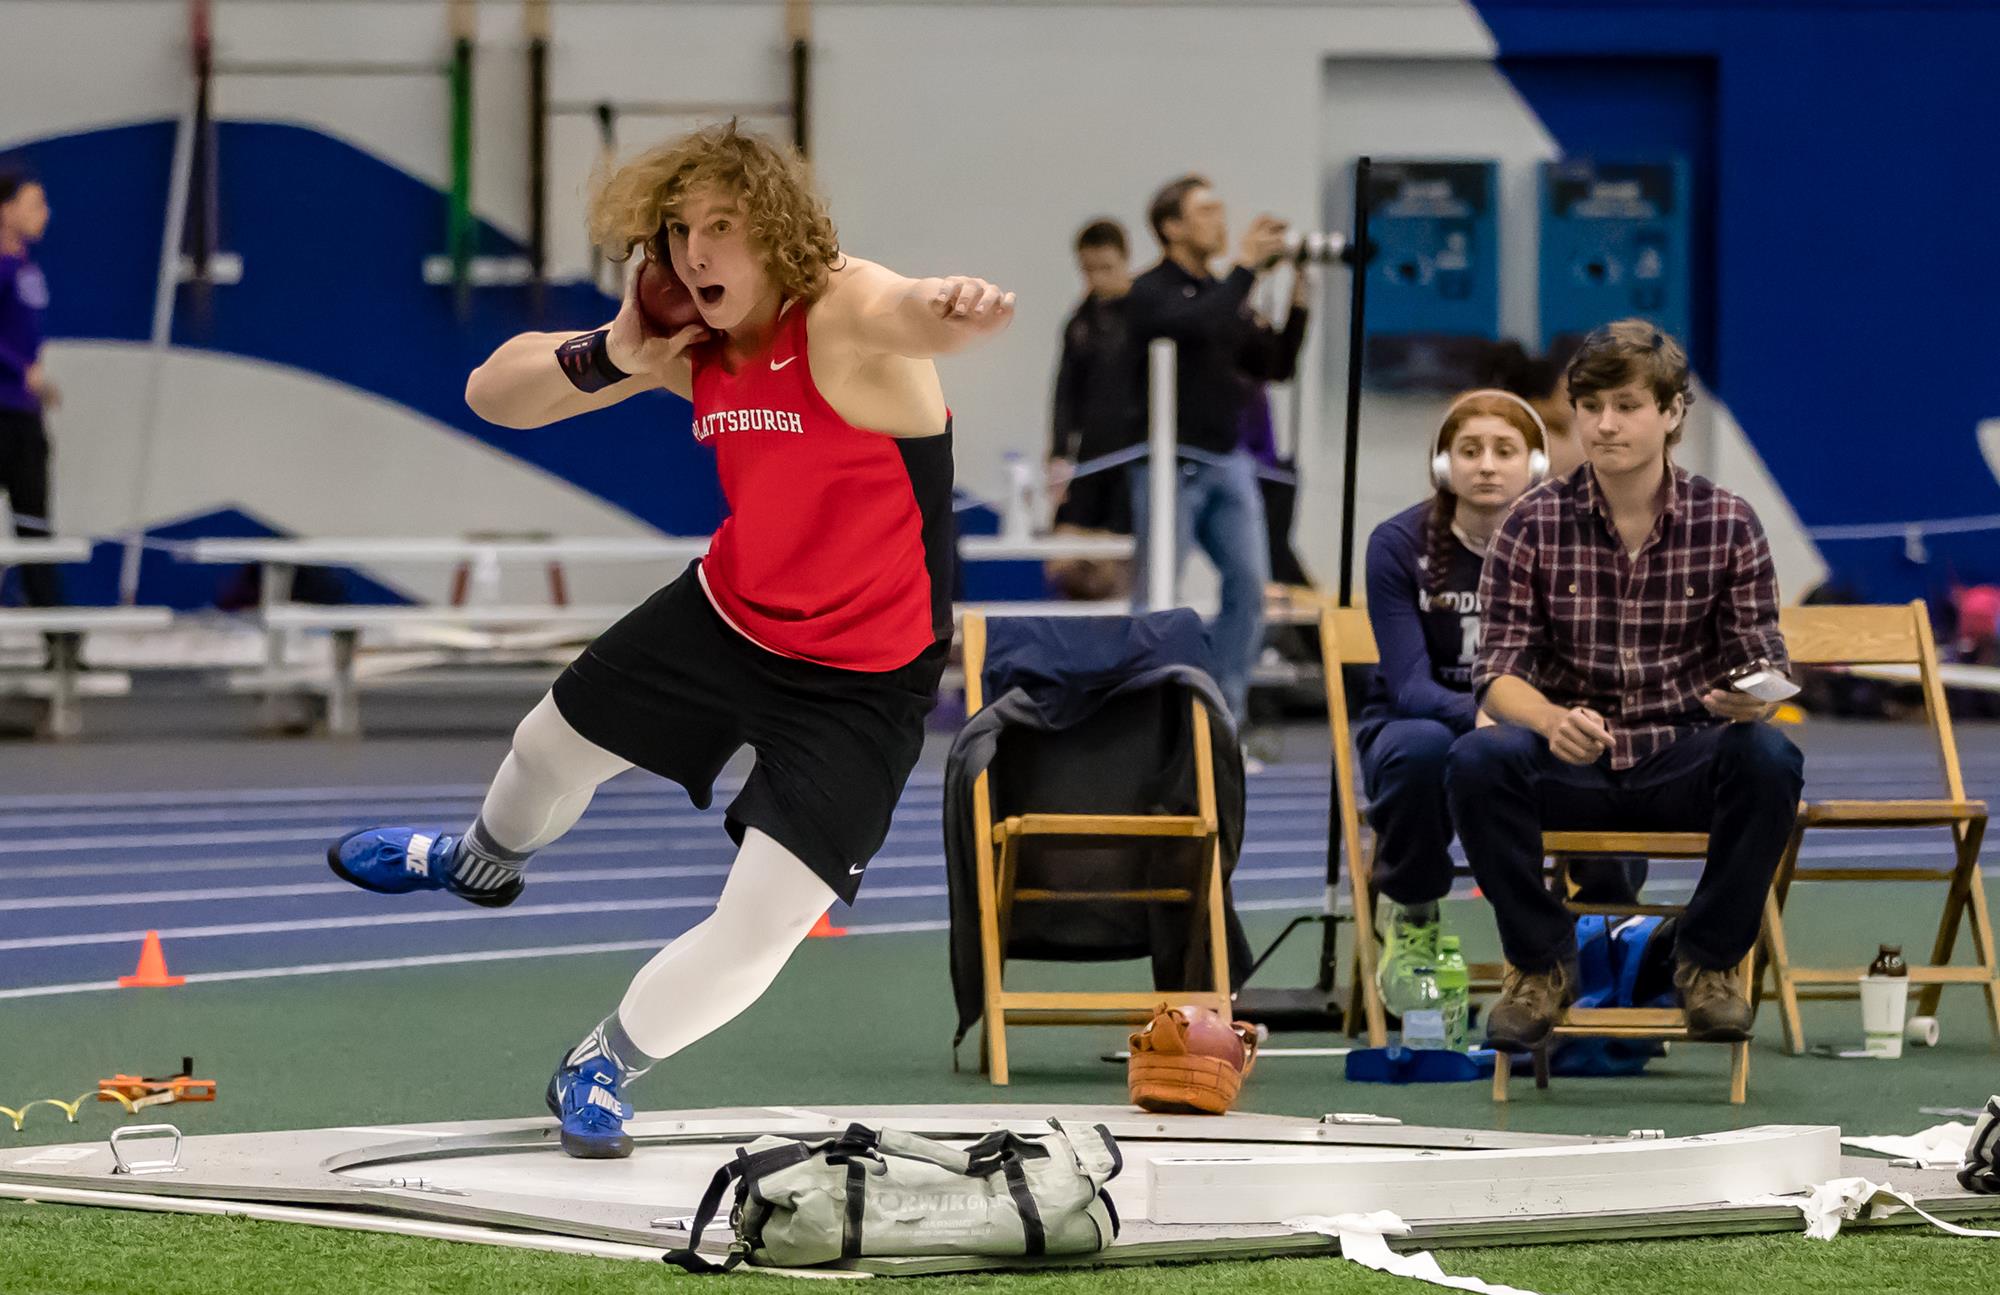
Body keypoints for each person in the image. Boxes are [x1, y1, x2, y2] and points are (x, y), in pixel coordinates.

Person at [324, 123, 1014, 1159]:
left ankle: (602, 1061)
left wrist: (949, 303)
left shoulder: (842, 316)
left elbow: (903, 309)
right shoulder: (691, 346)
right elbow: (490, 394)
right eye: (679, 230)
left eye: (721, 227)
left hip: (864, 676)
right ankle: (479, 860)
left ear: (777, 231)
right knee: (545, 747)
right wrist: (616, 352)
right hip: (727, 616)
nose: (694, 253)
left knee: (764, 924)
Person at [1446, 319, 1805, 1048]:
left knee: (1771, 758)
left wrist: (1753, 698)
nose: (1604, 424)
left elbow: (1764, 656)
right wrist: (1550, 721)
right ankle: (1541, 965)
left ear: (1672, 412)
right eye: (1590, 406)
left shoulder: (1728, 521)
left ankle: (1707, 963)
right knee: (1474, 759)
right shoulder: (1530, 522)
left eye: (1627, 405)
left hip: (1683, 757)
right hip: (1571, 758)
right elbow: (1497, 675)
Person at [1354, 389, 1547, 1005]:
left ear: (1536, 465)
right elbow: (1411, 686)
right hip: (1414, 721)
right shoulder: (1397, 544)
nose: (1486, 465)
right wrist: (1490, 716)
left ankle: (1601, 928)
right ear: (1443, 465)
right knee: (1422, 749)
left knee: (1598, 745)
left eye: (1504, 451)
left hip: (1528, 721)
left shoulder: (1564, 544)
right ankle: (1413, 916)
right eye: (1470, 450)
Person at [1121, 174, 1286, 728]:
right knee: (1157, 594)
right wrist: (1245, 270)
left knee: (1250, 587)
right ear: (1172, 227)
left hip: (1227, 459)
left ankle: (1224, 720)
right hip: (1168, 464)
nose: (1221, 221)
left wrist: (1299, 293)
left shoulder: (1223, 291)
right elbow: (1193, 324)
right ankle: (1147, 722)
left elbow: (1274, 363)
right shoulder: (1148, 291)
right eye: (1207, 211)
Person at [0, 167, 63, 609]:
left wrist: (35, 381)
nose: (45, 213)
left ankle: (55, 629)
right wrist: (20, 370)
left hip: (23, 415)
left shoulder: (26, 267)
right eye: (34, 204)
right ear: (5, 211)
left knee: (35, 524)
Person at [1048, 217, 1134, 535]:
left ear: (1125, 259)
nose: (1097, 278)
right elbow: (1065, 392)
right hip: (1092, 452)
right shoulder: (1080, 323)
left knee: (1118, 547)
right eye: (1088, 270)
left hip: (1135, 453)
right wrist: (1059, 453)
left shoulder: (1146, 314)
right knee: (1065, 540)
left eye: (1107, 268)